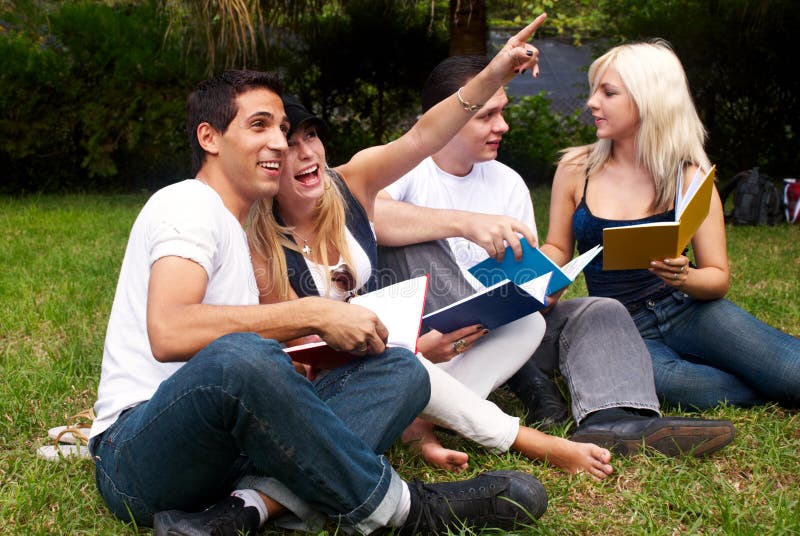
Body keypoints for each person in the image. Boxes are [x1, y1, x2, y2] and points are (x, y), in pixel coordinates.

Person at [87, 69, 548, 536]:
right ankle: (408, 510)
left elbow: (260, 374)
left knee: (398, 370)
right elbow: (170, 331)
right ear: (209, 137)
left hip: (223, 455)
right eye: (259, 126)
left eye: (282, 129)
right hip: (136, 457)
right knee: (243, 354)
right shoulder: (187, 204)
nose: (279, 144)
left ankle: (240, 511)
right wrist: (315, 313)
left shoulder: (248, 239)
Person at [248, 16, 616, 481]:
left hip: (392, 350)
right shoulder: (262, 247)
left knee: (521, 326)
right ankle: (524, 439)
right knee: (400, 367)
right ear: (267, 165)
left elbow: (422, 136)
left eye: (312, 137)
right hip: (345, 377)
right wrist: (417, 348)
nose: (308, 154)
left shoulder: (349, 186)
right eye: (290, 146)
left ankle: (419, 425)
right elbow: (302, 362)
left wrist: (499, 69)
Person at [374, 54, 736, 458]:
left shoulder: (507, 182)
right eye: (487, 116)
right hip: (430, 340)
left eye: (503, 113)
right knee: (419, 239)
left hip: (500, 333)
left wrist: (543, 287)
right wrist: (464, 223)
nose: (503, 126)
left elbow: (525, 271)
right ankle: (448, 402)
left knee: (600, 309)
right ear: (445, 116)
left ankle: (611, 419)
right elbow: (372, 216)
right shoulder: (405, 170)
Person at [539, 39, 800, 409]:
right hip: (619, 325)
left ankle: (773, 376)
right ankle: (763, 381)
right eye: (593, 91)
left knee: (793, 373)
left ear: (649, 101)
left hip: (687, 308)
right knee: (683, 389)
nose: (592, 103)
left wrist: (684, 277)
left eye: (608, 92)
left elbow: (717, 277)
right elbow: (559, 249)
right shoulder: (574, 170)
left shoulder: (689, 177)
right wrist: (536, 281)